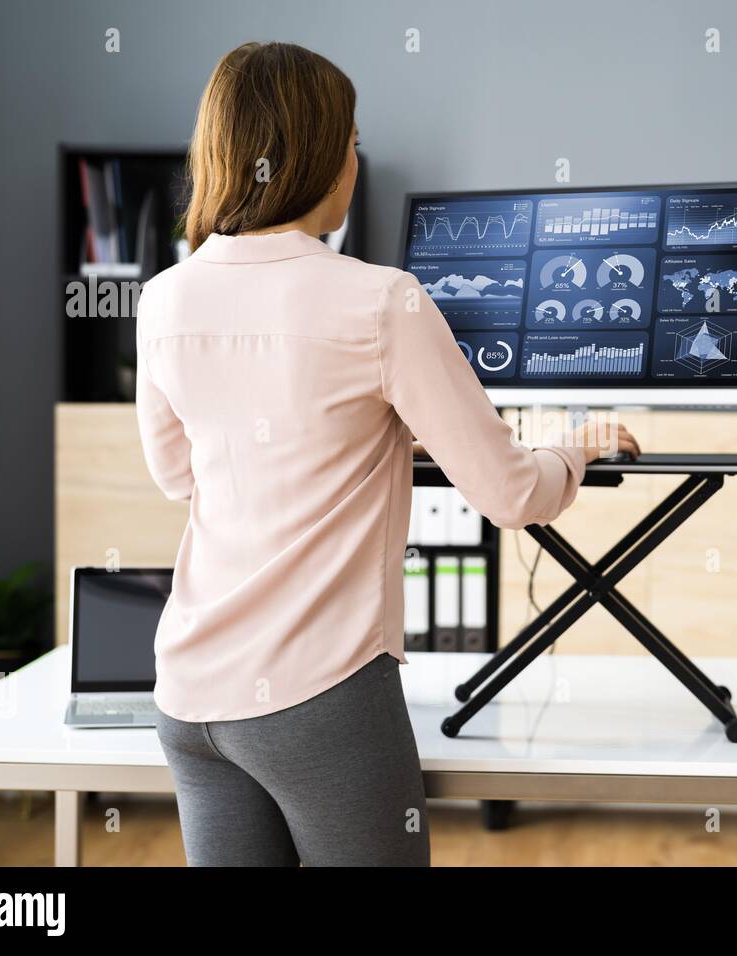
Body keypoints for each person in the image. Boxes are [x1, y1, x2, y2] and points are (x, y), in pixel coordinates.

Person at [136, 41, 639, 866]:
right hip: (320, 698)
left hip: (190, 702)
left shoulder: (163, 298)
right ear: (320, 158)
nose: (355, 161)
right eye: (351, 140)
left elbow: (175, 476)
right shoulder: (380, 300)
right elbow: (513, 496)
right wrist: (576, 448)